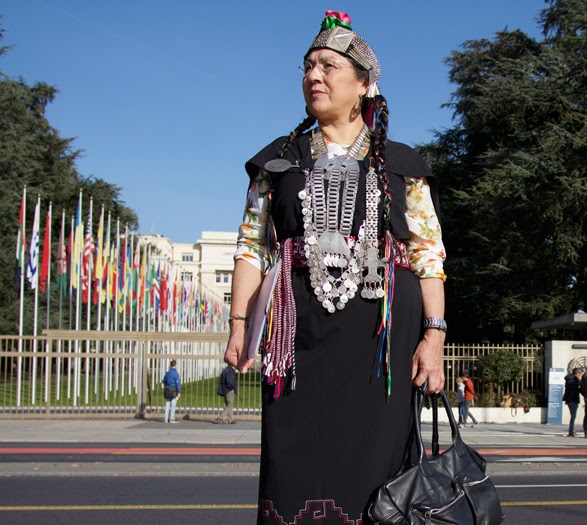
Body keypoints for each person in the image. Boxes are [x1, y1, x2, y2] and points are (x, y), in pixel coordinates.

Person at [223, 10, 447, 523]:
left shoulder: (402, 163)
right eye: (308, 67)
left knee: (378, 470)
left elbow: (428, 253)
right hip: (298, 331)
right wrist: (239, 325)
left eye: (328, 66)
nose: (314, 76)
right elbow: (251, 246)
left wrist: (434, 335)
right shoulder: (278, 159)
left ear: (365, 84)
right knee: (294, 461)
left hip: (381, 339)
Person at [563, 368, 583, 437]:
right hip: (573, 400)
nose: (581, 375)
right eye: (580, 373)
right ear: (577, 373)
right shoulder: (574, 381)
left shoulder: (569, 379)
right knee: (573, 416)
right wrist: (580, 381)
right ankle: (572, 431)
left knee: (573, 416)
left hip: (569, 400)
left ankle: (571, 431)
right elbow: (575, 391)